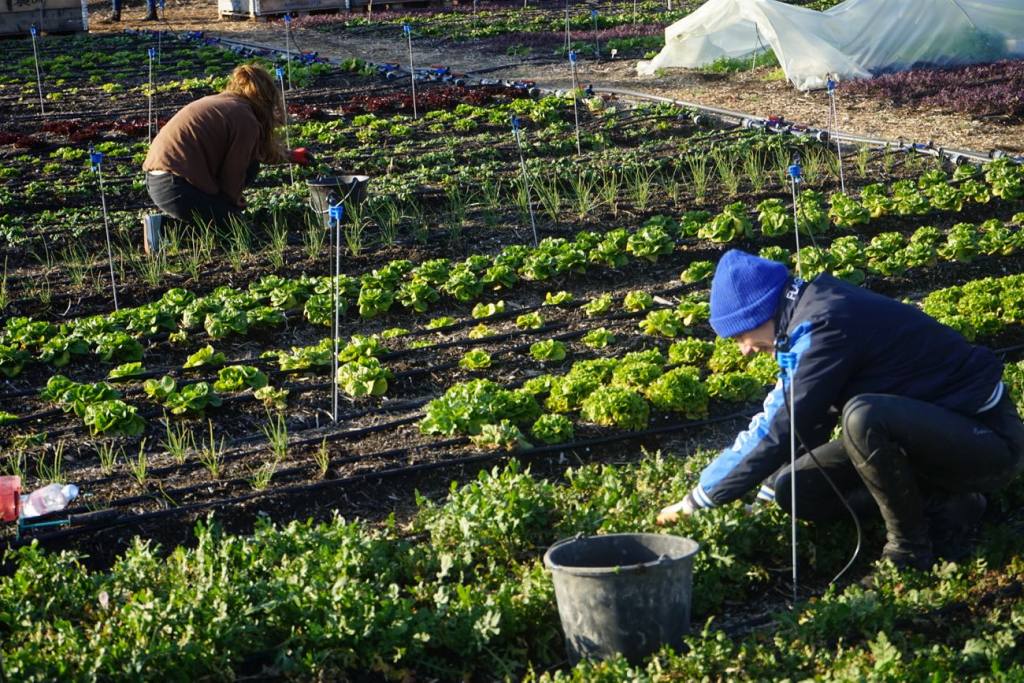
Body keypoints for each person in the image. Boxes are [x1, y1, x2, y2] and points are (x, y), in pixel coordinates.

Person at [657, 249, 1024, 570]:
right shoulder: (807, 315)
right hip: (933, 440)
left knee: (863, 418)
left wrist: (696, 501)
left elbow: (782, 427)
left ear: (762, 311)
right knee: (795, 490)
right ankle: (950, 506)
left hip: (987, 443)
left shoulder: (825, 323)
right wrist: (769, 492)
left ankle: (909, 552)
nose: (745, 349)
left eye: (741, 336)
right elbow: (806, 417)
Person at [143, 63, 312, 226]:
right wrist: (233, 210)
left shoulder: (225, 104)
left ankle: (165, 225)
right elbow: (234, 172)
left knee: (248, 171)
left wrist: (290, 156)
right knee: (235, 230)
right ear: (266, 98)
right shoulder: (245, 118)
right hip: (178, 188)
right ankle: (164, 229)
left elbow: (256, 151)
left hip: (158, 182)